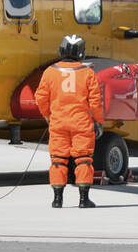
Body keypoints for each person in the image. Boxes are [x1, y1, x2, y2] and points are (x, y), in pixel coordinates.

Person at [34, 34, 104, 209]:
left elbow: (40, 98)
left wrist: (47, 115)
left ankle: (57, 200)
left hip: (58, 124)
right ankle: (83, 200)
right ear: (81, 52)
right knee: (83, 160)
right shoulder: (88, 73)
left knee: (58, 160)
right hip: (82, 124)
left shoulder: (50, 72)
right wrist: (99, 121)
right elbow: (95, 102)